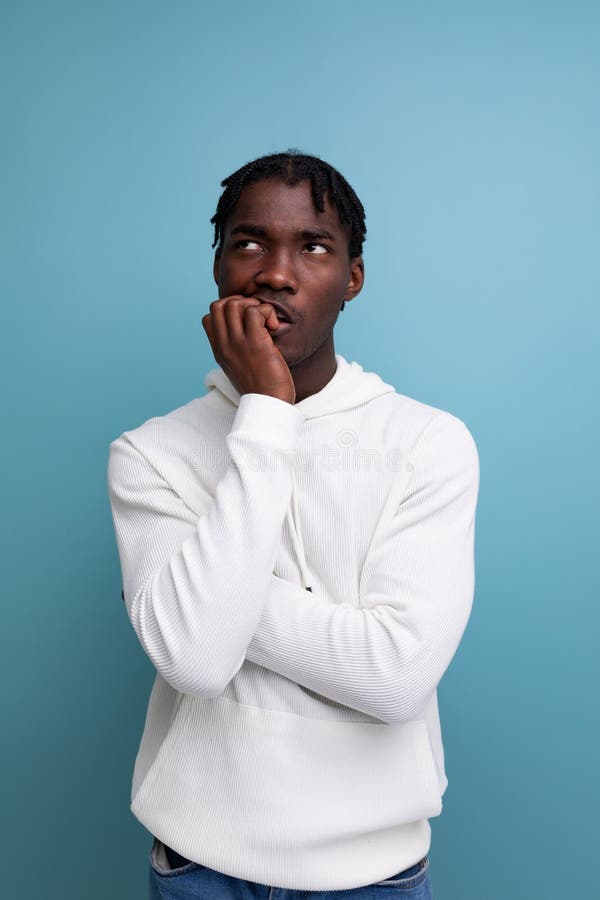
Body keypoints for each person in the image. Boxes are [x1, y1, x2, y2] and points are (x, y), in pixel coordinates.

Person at [107, 150, 480, 900]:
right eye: (249, 243)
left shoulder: (428, 443)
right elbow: (197, 661)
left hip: (374, 875)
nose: (276, 273)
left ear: (353, 278)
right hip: (200, 868)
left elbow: (396, 676)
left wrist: (221, 601)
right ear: (218, 269)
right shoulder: (149, 454)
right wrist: (268, 415)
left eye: (313, 247)